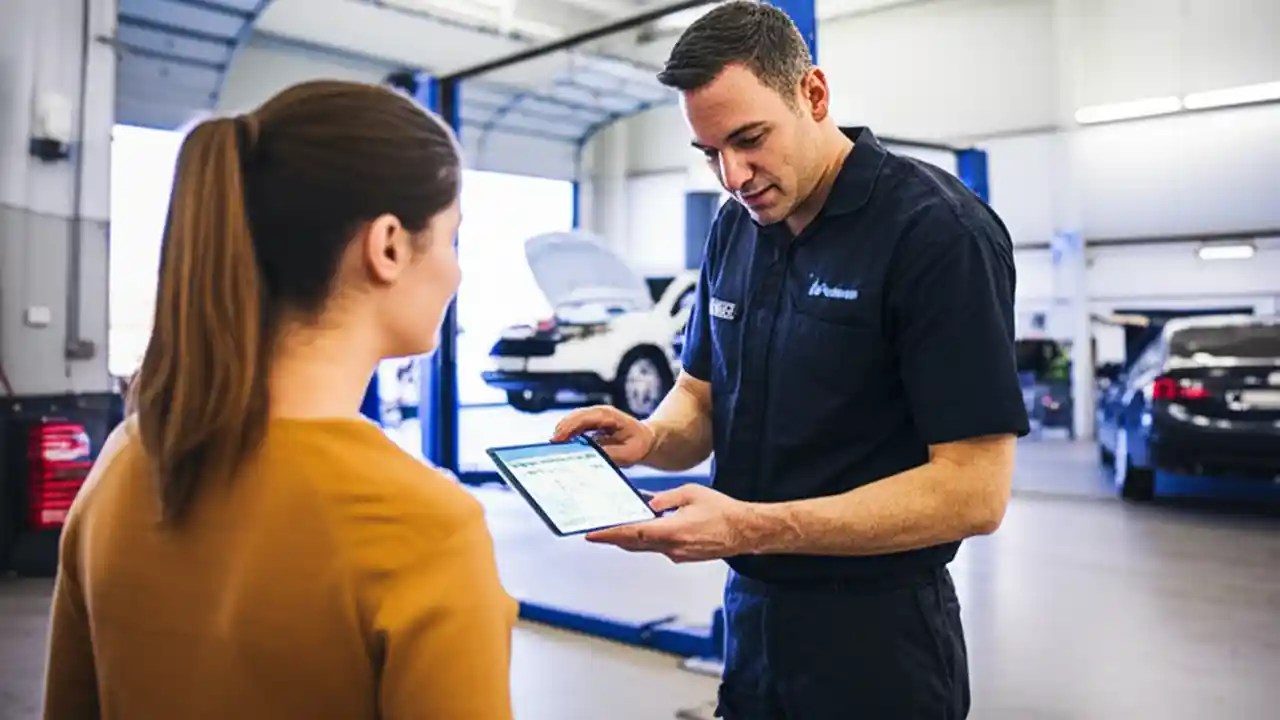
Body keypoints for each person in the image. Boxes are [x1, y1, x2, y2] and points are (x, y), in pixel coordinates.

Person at [552, 2, 1030, 718]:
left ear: (813, 95)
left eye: (749, 139)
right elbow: (699, 396)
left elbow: (974, 492)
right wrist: (650, 437)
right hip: (754, 624)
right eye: (710, 152)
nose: (734, 175)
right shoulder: (734, 228)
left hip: (881, 641)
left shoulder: (935, 234)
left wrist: (753, 525)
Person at [43, 80, 517, 719]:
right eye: (452, 237)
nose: (457, 271)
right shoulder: (425, 529)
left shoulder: (125, 461)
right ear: (388, 247)